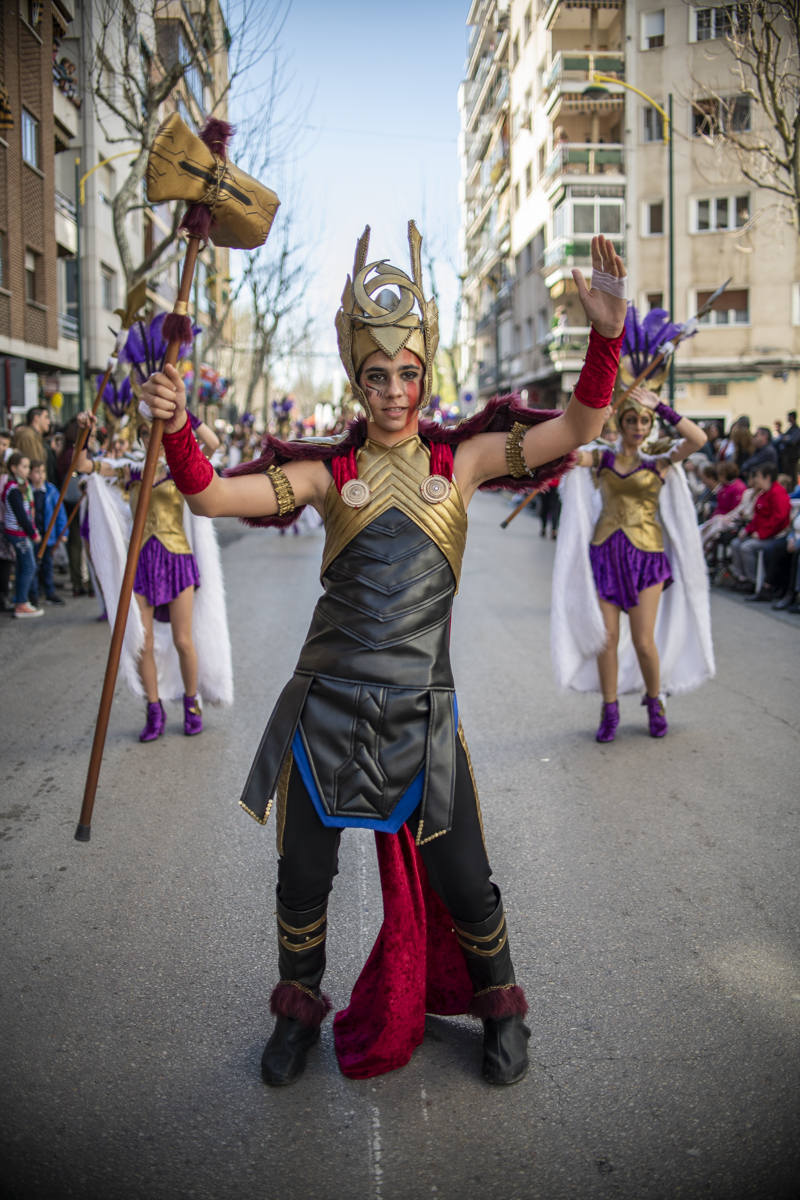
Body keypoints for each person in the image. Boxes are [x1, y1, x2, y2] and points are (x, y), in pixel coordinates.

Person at [140, 227, 627, 1089]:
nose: (394, 390)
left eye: (407, 373)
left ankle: (502, 1004)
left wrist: (605, 337)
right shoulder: (329, 472)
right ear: (355, 378)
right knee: (303, 875)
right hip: (324, 707)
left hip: (421, 711)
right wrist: (178, 430)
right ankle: (297, 1011)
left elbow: (583, 424)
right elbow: (212, 494)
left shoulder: (464, 460)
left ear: (424, 374)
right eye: (377, 375)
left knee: (466, 876)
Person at [552, 387, 715, 741]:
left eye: (645, 420)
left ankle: (655, 702)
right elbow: (566, 455)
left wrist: (664, 408)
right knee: (606, 640)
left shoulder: (659, 460)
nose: (639, 426)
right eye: (632, 420)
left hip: (647, 559)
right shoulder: (602, 459)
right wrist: (596, 420)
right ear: (621, 423)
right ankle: (609, 711)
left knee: (643, 641)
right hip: (605, 554)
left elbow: (698, 439)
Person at [80, 411, 231, 740]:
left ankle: (192, 704)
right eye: (148, 432)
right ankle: (154, 711)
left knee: (182, 640)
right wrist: (85, 431)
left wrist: (183, 414)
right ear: (141, 435)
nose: (154, 438)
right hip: (142, 565)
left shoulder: (179, 466)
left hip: (177, 559)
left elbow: (214, 443)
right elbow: (83, 466)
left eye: (160, 432)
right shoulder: (129, 471)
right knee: (142, 643)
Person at [732, 463, 791, 594]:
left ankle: (752, 581)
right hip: (760, 532)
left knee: (747, 547)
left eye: (758, 476)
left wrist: (761, 533)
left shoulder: (777, 493)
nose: (756, 479)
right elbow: (757, 517)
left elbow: (779, 518)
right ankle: (741, 577)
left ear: (767, 477)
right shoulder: (764, 493)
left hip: (774, 535)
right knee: (735, 543)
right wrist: (747, 530)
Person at [2, 452, 44, 618]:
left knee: (22, 566)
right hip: (18, 533)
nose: (27, 470)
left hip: (18, 532)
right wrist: (32, 533)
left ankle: (20, 599)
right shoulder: (13, 489)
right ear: (13, 468)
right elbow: (21, 514)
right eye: (24, 467)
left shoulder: (20, 486)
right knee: (29, 566)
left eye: (28, 467)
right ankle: (21, 604)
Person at [29, 459, 66, 606]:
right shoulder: (27, 491)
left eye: (43, 472)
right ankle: (33, 594)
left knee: (47, 564)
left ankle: (50, 592)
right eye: (37, 472)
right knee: (33, 565)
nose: (41, 475)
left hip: (48, 535)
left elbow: (60, 513)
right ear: (30, 474)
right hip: (33, 535)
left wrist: (63, 532)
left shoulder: (51, 490)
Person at [11, 407, 57, 484]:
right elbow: (34, 467)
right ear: (36, 419)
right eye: (46, 417)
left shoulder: (35, 436)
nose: (49, 422)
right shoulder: (28, 437)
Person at [776, 410, 800, 484]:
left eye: (788, 417)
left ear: (792, 417)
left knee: (792, 475)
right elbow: (782, 438)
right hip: (786, 457)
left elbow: (792, 441)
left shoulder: (796, 430)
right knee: (787, 475)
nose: (787, 419)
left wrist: (786, 439)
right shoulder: (790, 429)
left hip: (792, 458)